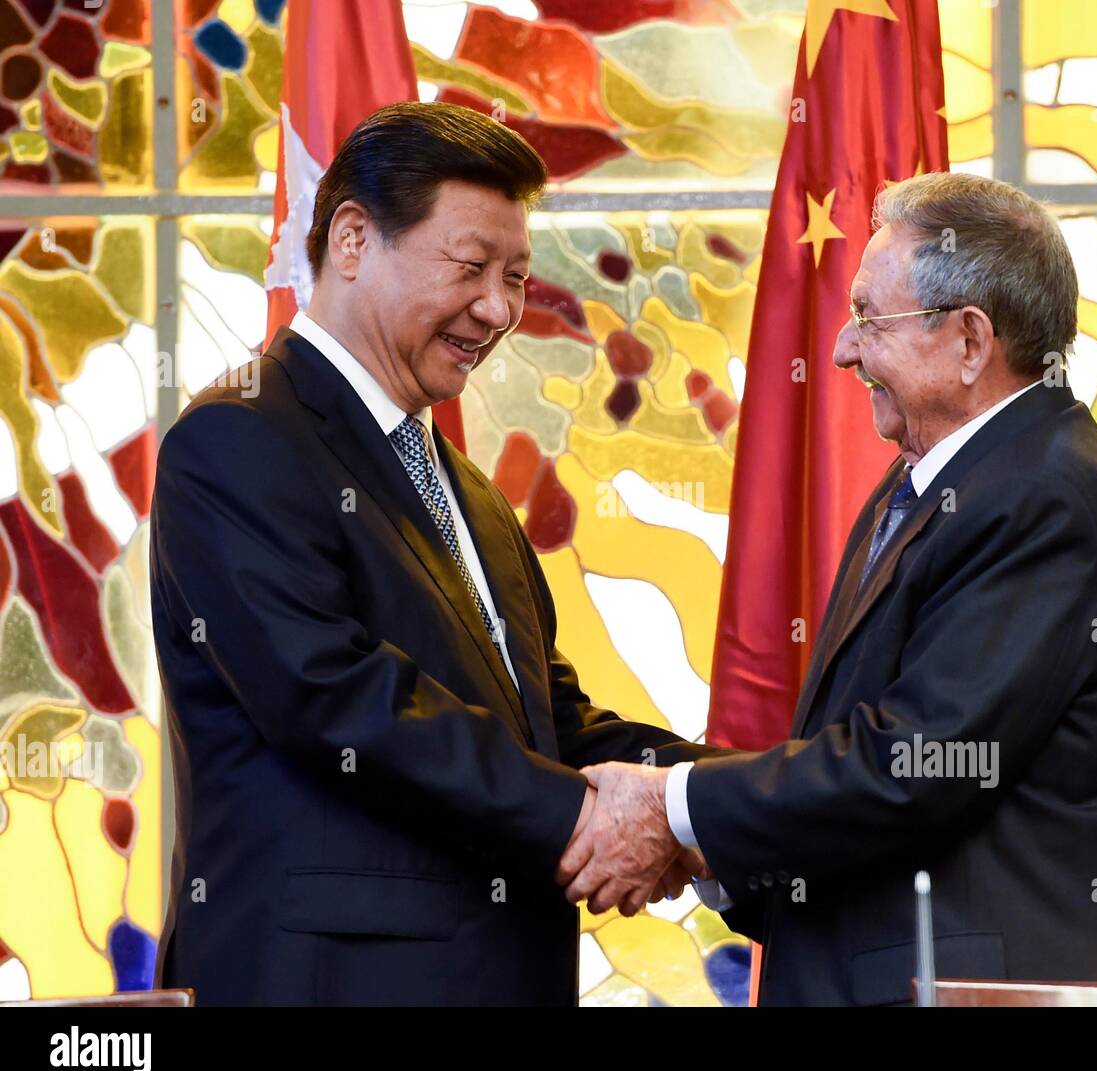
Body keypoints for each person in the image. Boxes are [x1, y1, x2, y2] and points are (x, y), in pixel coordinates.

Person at [150, 101, 718, 1006]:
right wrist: (585, 817)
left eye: (518, 278)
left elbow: (548, 722)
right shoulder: (238, 438)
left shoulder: (470, 491)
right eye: (470, 268)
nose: (497, 309)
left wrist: (719, 799)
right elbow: (332, 698)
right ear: (350, 239)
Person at [559, 172, 1097, 1006]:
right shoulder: (925, 482)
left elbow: (912, 764)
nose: (844, 351)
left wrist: (675, 808)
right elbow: (860, 752)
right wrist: (706, 838)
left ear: (968, 341)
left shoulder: (1047, 495)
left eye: (869, 320)